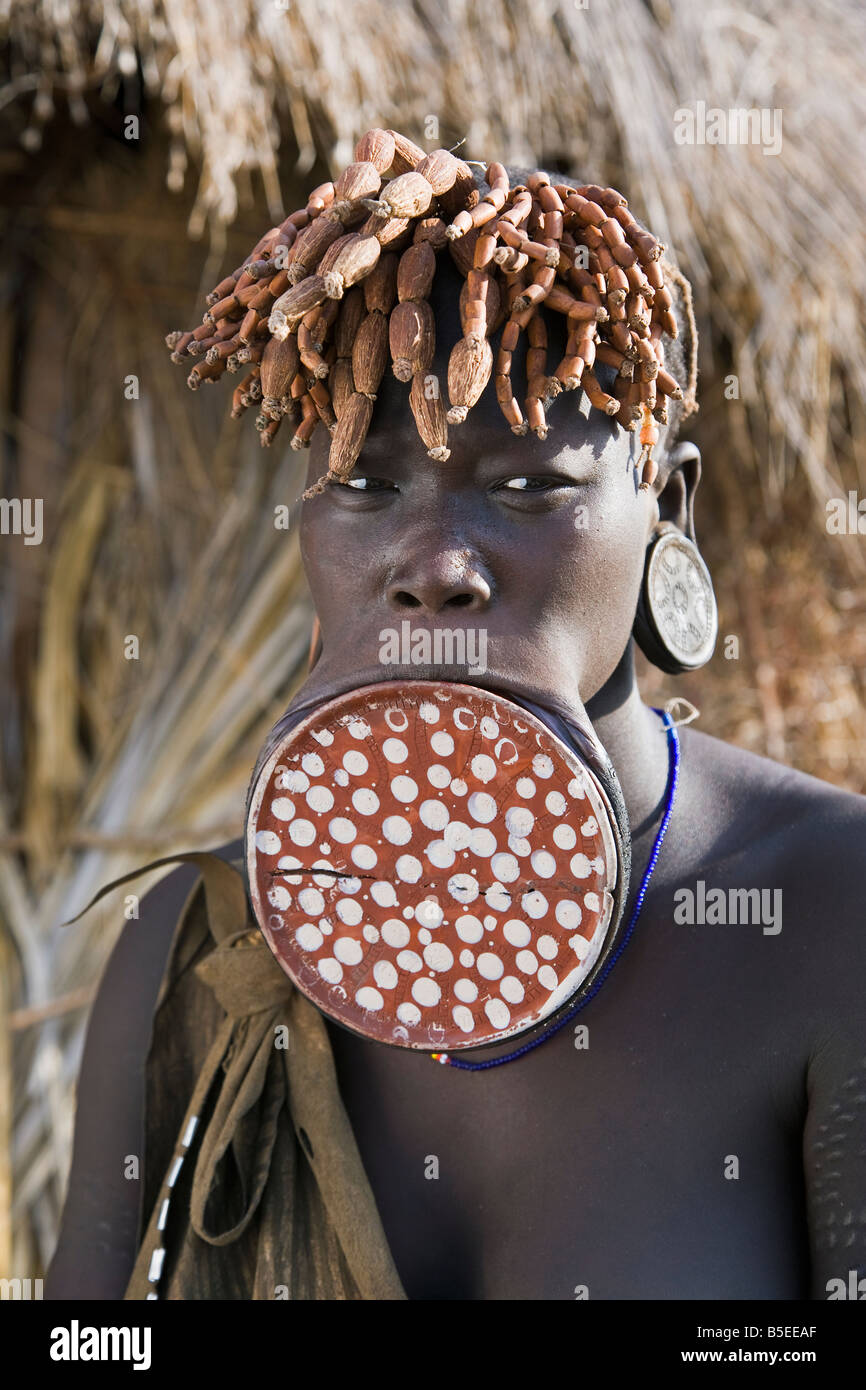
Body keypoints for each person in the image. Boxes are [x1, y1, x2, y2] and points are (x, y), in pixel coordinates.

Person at [47, 135, 866, 1301]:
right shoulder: (191, 949)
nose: (434, 565)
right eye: (364, 486)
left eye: (527, 485)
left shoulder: (830, 912)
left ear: (664, 511)